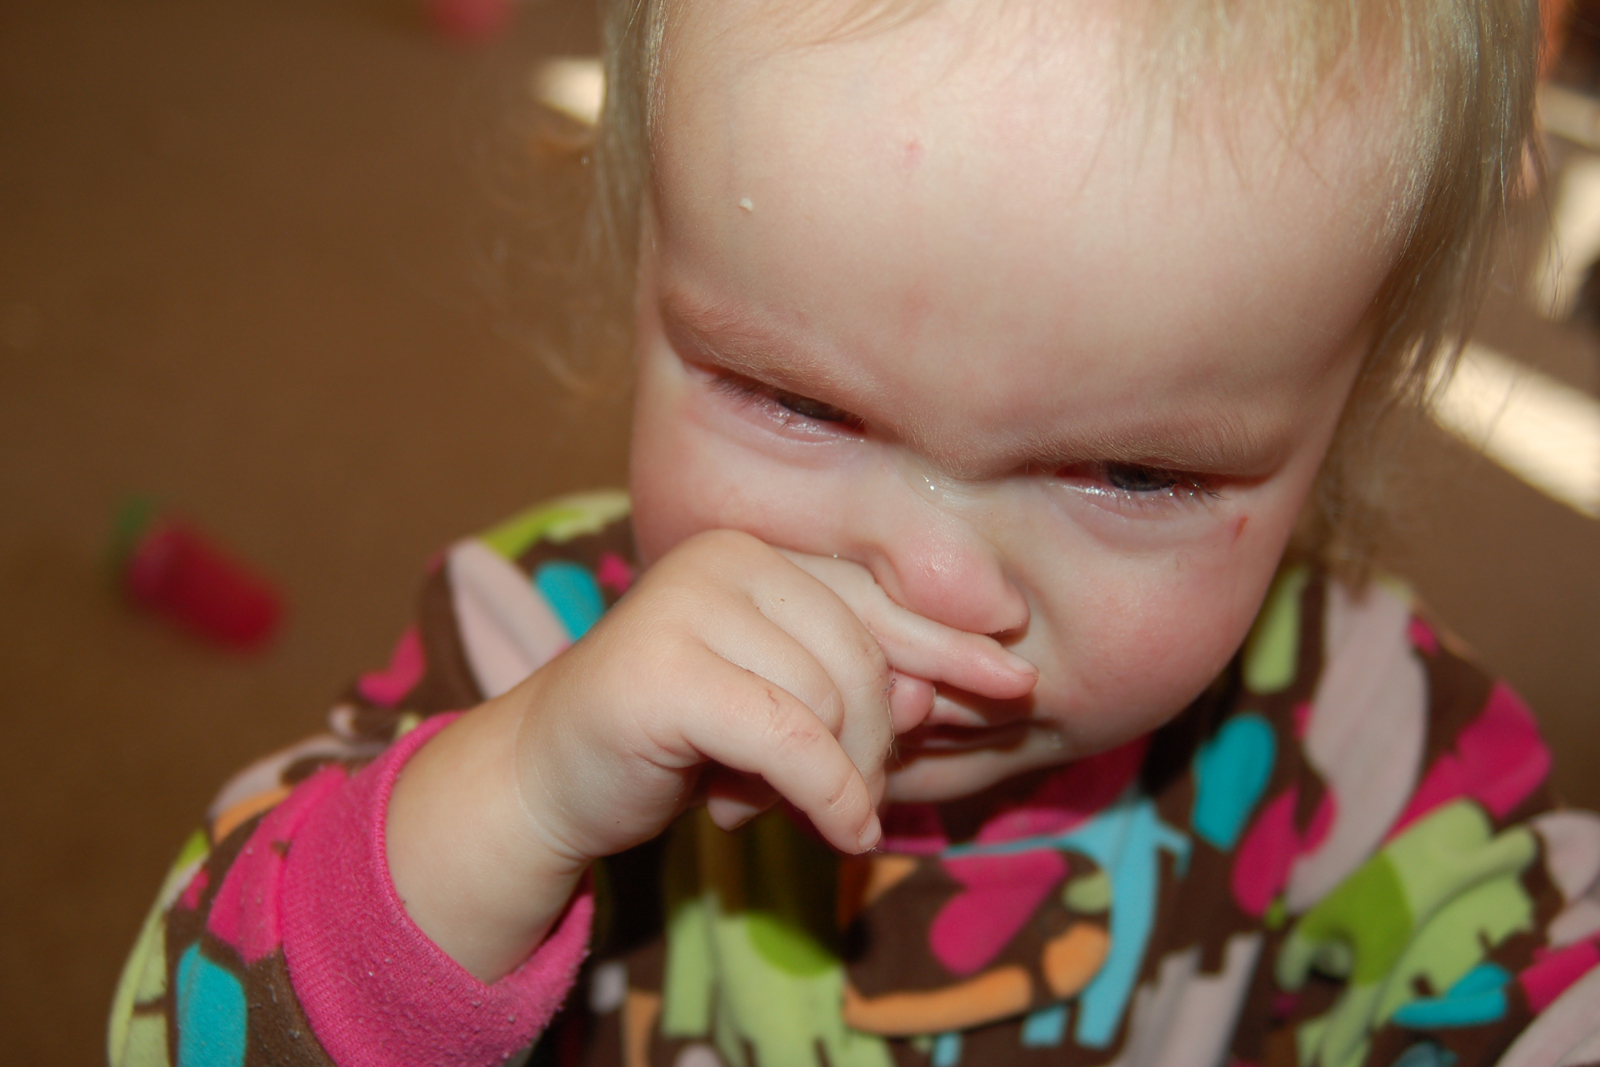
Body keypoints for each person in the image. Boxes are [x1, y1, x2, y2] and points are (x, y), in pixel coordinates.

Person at [108, 1, 1600, 1065]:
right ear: (649, 265)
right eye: (793, 400)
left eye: (1136, 475)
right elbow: (183, 1026)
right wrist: (523, 802)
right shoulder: (532, 656)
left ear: (1346, 416)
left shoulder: (1366, 738)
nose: (934, 583)